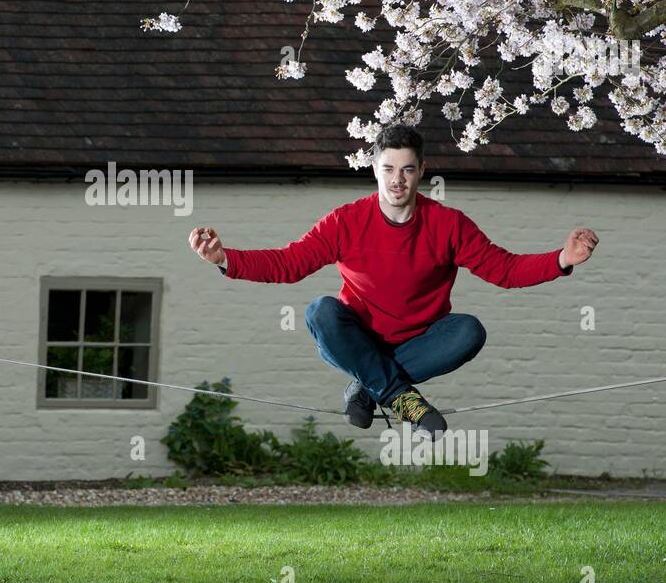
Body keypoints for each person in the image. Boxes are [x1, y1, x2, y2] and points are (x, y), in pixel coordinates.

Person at [188, 124, 598, 440]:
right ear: (374, 170)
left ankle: (370, 387)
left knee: (469, 330)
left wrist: (562, 259)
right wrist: (225, 259)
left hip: (420, 343)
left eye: (406, 170)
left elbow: (504, 270)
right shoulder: (346, 221)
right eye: (387, 169)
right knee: (320, 311)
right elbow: (290, 263)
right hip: (355, 340)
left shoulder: (448, 225)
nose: (396, 180)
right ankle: (406, 402)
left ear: (421, 171)